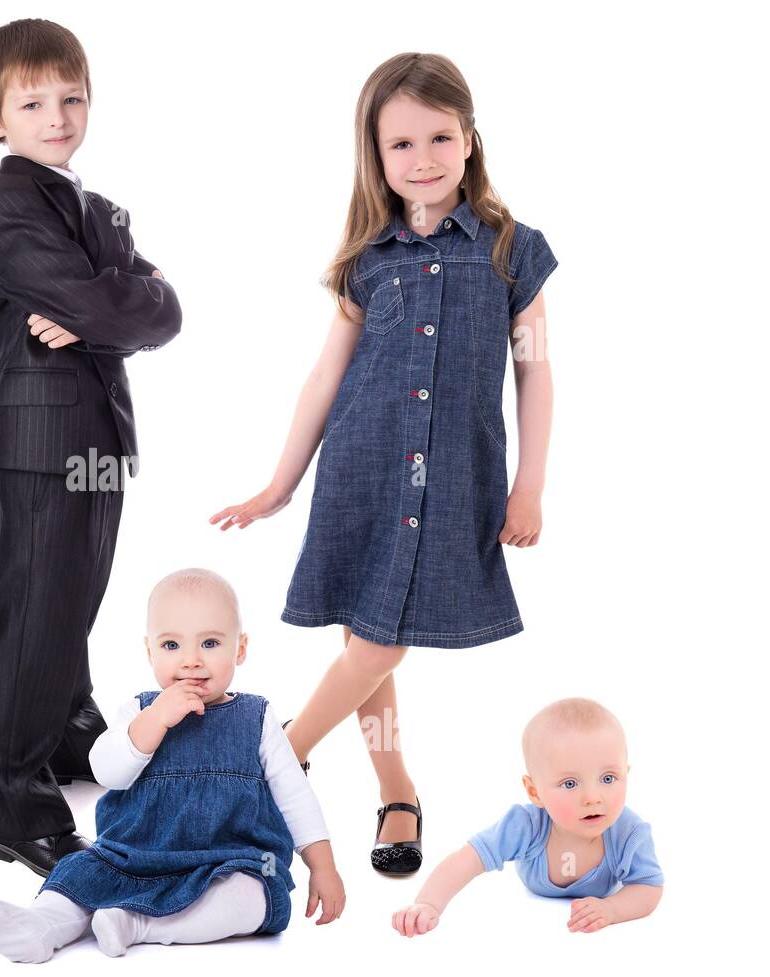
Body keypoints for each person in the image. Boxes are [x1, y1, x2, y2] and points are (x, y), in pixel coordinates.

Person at [211, 52, 558, 876]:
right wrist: (279, 485)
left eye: (441, 137)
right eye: (401, 144)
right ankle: (396, 788)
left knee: (376, 645)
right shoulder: (367, 258)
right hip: (361, 472)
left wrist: (531, 483)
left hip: (455, 486)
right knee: (370, 642)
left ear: (470, 140)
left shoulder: (515, 251)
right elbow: (326, 375)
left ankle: (276, 755)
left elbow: (535, 370)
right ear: (375, 154)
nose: (424, 158)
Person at [0, 18, 182, 877]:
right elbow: (110, 299)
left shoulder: (92, 205)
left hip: (97, 430)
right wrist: (111, 304)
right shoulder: (15, 202)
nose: (56, 116)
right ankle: (12, 792)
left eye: (71, 98)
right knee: (33, 608)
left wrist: (105, 311)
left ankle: (65, 730)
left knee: (74, 596)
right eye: (32, 102)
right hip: (44, 435)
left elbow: (164, 309)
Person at [0, 569, 344, 962]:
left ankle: (139, 925)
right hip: (132, 856)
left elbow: (295, 796)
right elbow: (106, 770)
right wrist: (155, 721)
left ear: (240, 649)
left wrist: (322, 867)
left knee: (254, 896)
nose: (191, 661)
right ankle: (38, 927)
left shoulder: (258, 719)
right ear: (150, 652)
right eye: (172, 644)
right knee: (79, 872)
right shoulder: (140, 711)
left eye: (210, 643)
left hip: (231, 860)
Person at [391, 698, 664, 935]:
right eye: (570, 783)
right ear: (535, 792)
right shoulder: (527, 826)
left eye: (608, 778)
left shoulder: (630, 833)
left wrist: (612, 909)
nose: (593, 797)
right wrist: (428, 903)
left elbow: (648, 887)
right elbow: (468, 859)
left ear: (626, 774)